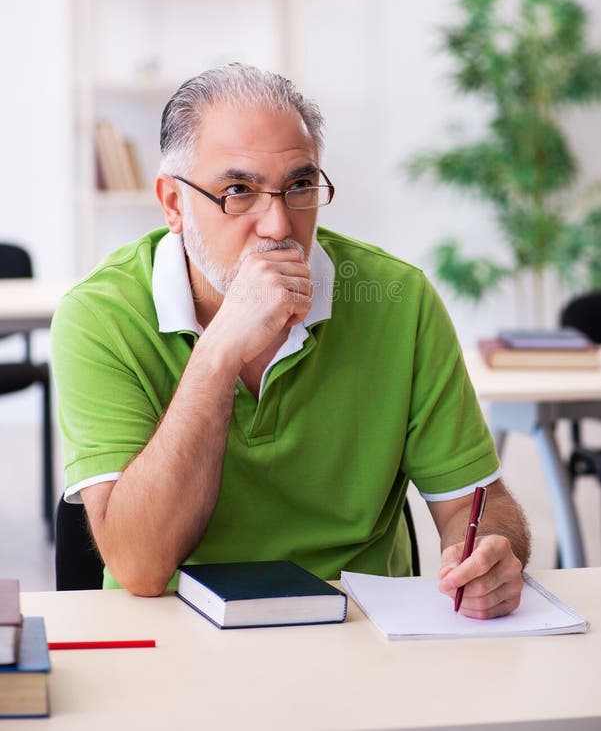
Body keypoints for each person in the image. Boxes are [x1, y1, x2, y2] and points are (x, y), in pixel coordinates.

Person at [52, 63, 530, 616]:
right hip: (177, 633)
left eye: (300, 186)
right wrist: (219, 351)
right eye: (238, 190)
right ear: (173, 204)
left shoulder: (399, 299)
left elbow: (477, 505)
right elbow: (139, 565)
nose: (278, 225)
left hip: (360, 631)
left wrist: (492, 555)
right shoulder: (98, 316)